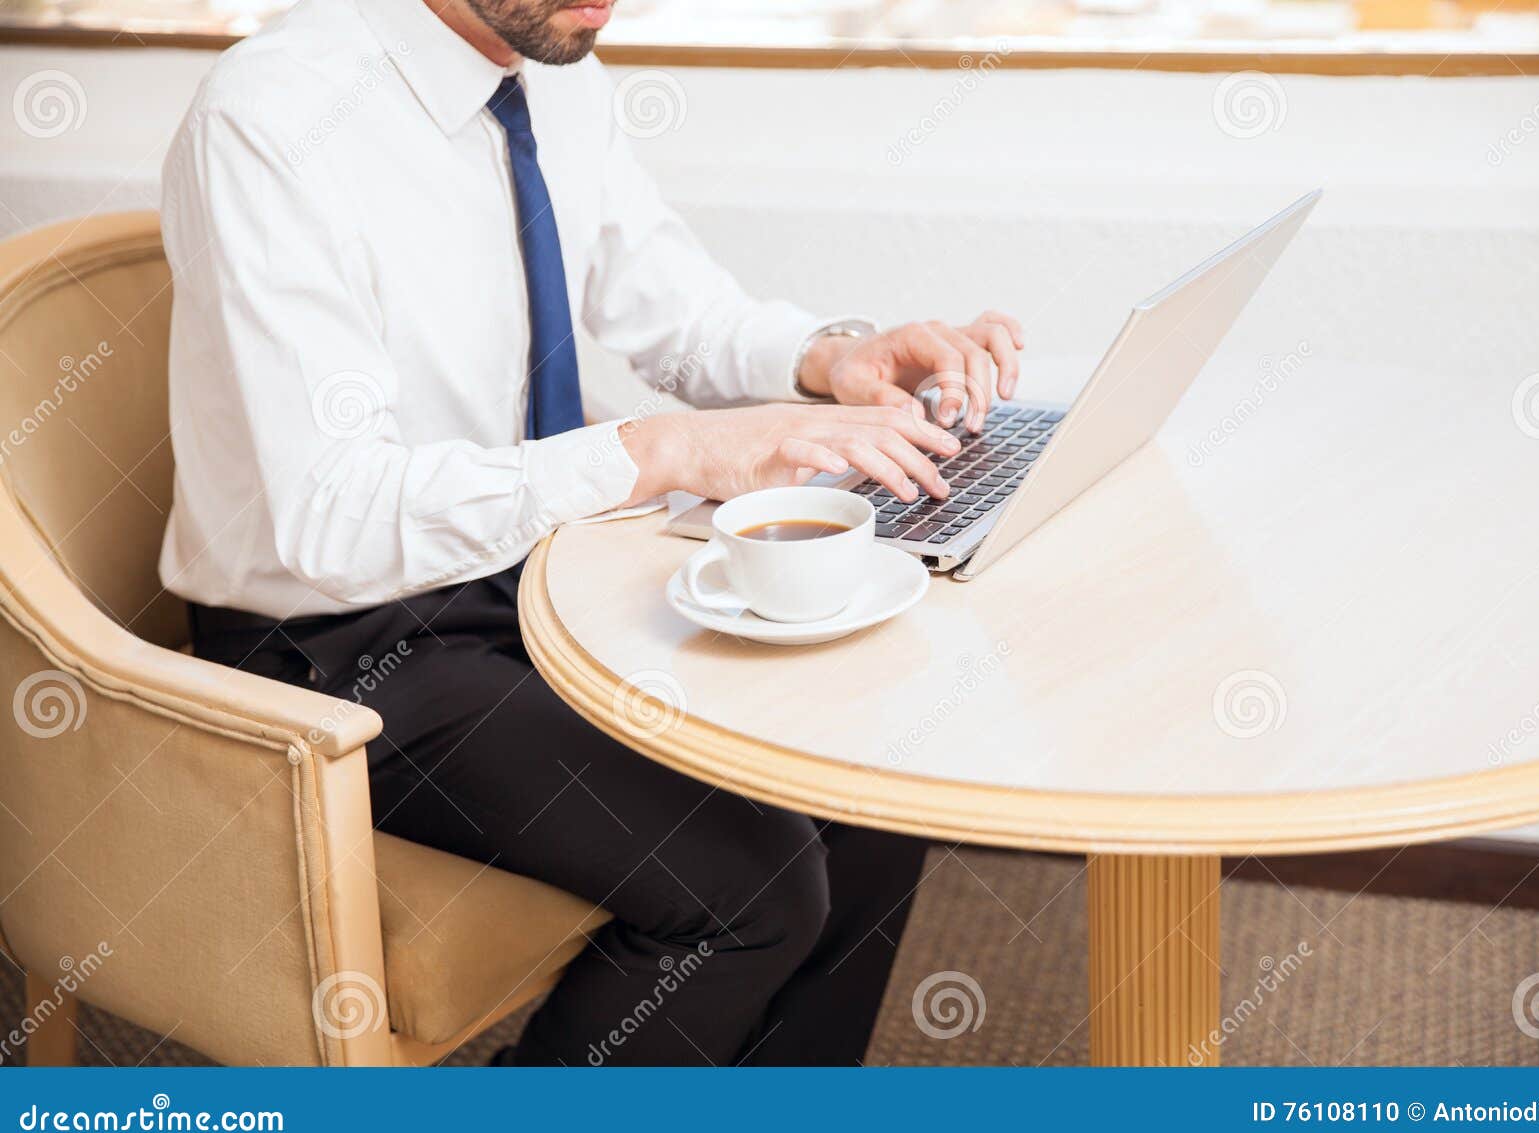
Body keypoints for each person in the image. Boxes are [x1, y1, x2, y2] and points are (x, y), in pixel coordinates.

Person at [163, 0, 1023, 1065]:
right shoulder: (275, 117)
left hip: (532, 571)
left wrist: (828, 356)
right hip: (335, 639)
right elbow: (327, 512)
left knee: (872, 776)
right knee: (748, 888)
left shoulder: (550, 60)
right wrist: (659, 452)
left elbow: (674, 310)